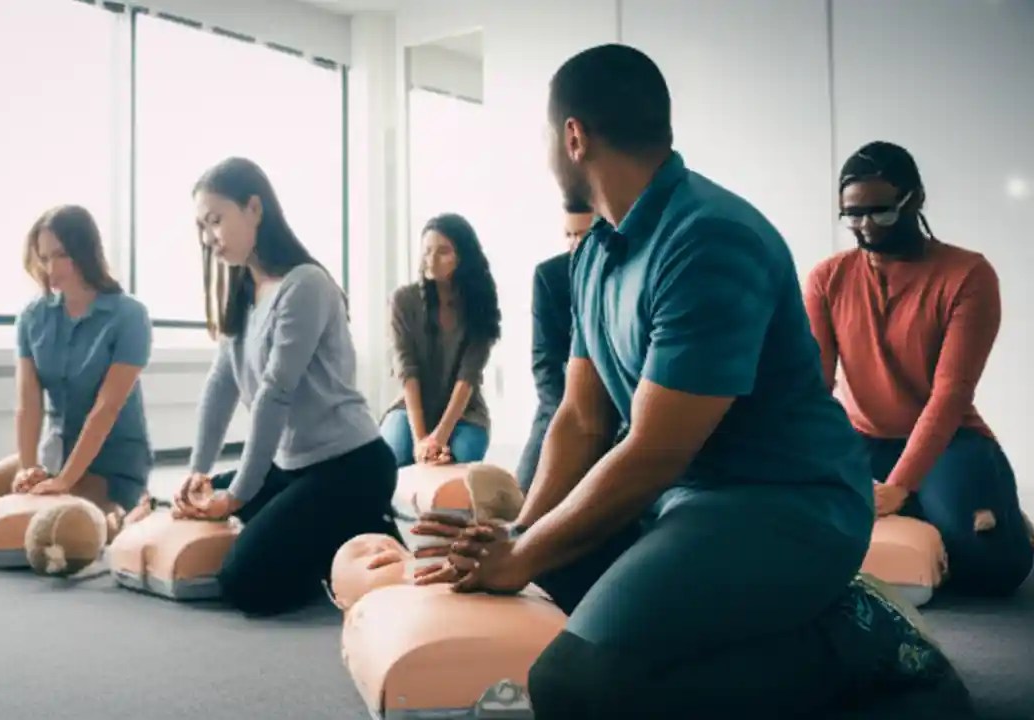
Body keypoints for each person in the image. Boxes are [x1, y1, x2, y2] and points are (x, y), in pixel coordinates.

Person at [406, 45, 971, 717]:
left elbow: (652, 451)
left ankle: (851, 638)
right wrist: (522, 533)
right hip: (685, 503)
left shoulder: (708, 239)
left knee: (572, 685)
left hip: (788, 508)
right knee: (553, 557)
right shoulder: (595, 257)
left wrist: (522, 551)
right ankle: (775, 627)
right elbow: (582, 419)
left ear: (574, 136)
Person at [805, 141, 1033, 597]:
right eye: (853, 215)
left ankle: (995, 516)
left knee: (994, 571)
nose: (865, 226)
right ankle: (934, 509)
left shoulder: (968, 275)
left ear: (915, 199)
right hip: (862, 438)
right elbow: (813, 387)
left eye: (881, 212)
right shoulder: (827, 278)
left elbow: (950, 394)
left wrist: (899, 486)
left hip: (949, 438)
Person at [173, 157, 397, 617]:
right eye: (201, 226)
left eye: (216, 220)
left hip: (349, 467)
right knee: (195, 503)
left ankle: (362, 528)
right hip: (289, 467)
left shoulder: (306, 285)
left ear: (254, 208)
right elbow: (221, 385)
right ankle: (339, 528)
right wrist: (197, 473)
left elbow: (275, 393)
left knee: (246, 584)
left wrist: (236, 495)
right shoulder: (242, 290)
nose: (208, 238)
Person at [0, 205, 152, 542]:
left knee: (62, 534)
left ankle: (128, 511)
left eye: (61, 255)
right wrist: (28, 470)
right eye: (43, 257)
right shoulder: (32, 317)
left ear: (86, 252)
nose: (50, 268)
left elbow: (105, 409)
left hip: (109, 464)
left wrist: (65, 481)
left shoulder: (129, 316)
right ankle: (67, 500)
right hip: (51, 454)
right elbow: (28, 404)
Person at [380, 213, 501, 468]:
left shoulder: (480, 306)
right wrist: (421, 440)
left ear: (463, 256)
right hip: (410, 411)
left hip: (464, 413)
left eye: (443, 251)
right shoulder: (403, 300)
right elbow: (407, 371)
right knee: (393, 455)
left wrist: (440, 437)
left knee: (461, 457)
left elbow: (467, 378)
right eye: (426, 251)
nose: (431, 260)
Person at [515, 199, 596, 492]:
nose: (576, 243)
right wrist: (567, 413)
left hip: (618, 404)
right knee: (524, 490)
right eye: (569, 235)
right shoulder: (549, 276)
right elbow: (544, 361)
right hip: (562, 399)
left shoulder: (625, 274)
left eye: (584, 234)